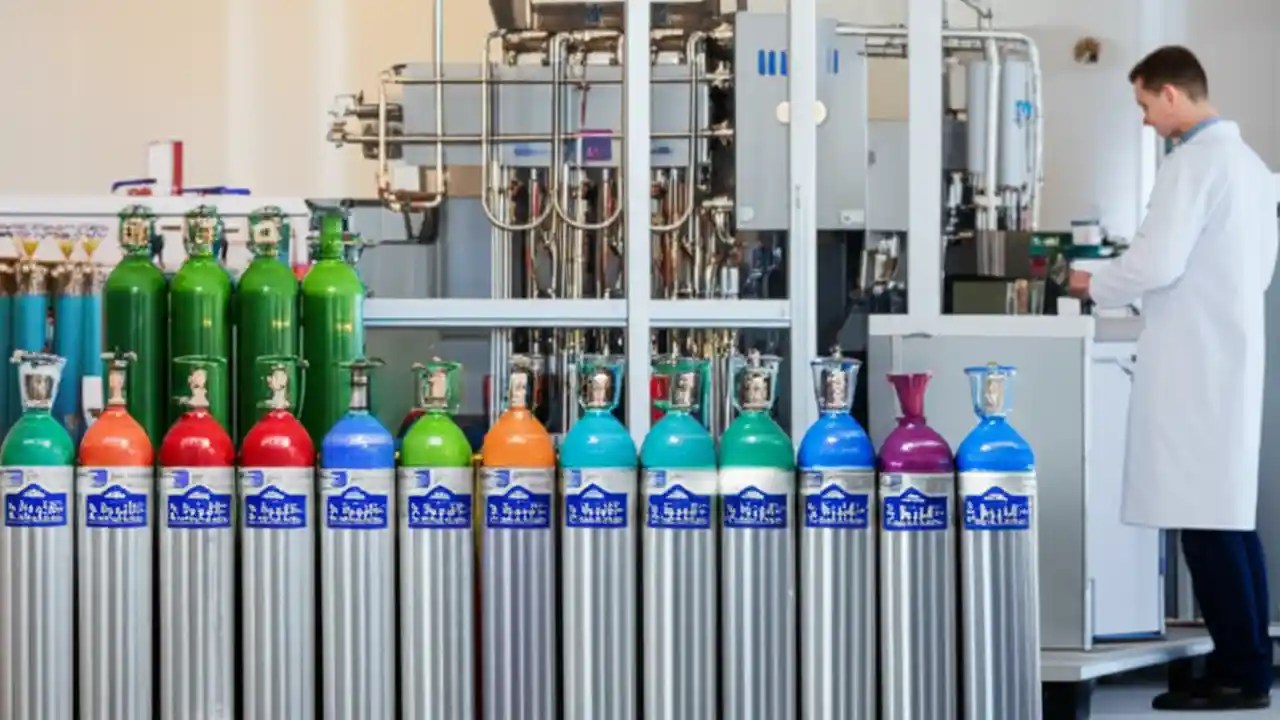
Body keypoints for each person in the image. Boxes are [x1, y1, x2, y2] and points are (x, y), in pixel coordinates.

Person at [1068, 45, 1278, 711]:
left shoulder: (1194, 164)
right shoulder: (1251, 168)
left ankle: (1238, 675)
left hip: (1194, 363)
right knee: (1228, 519)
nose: (1144, 122)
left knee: (1205, 523)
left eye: (1143, 105)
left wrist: (1092, 282)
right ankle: (1248, 664)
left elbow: (1155, 261)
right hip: (1225, 355)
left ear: (1170, 94)